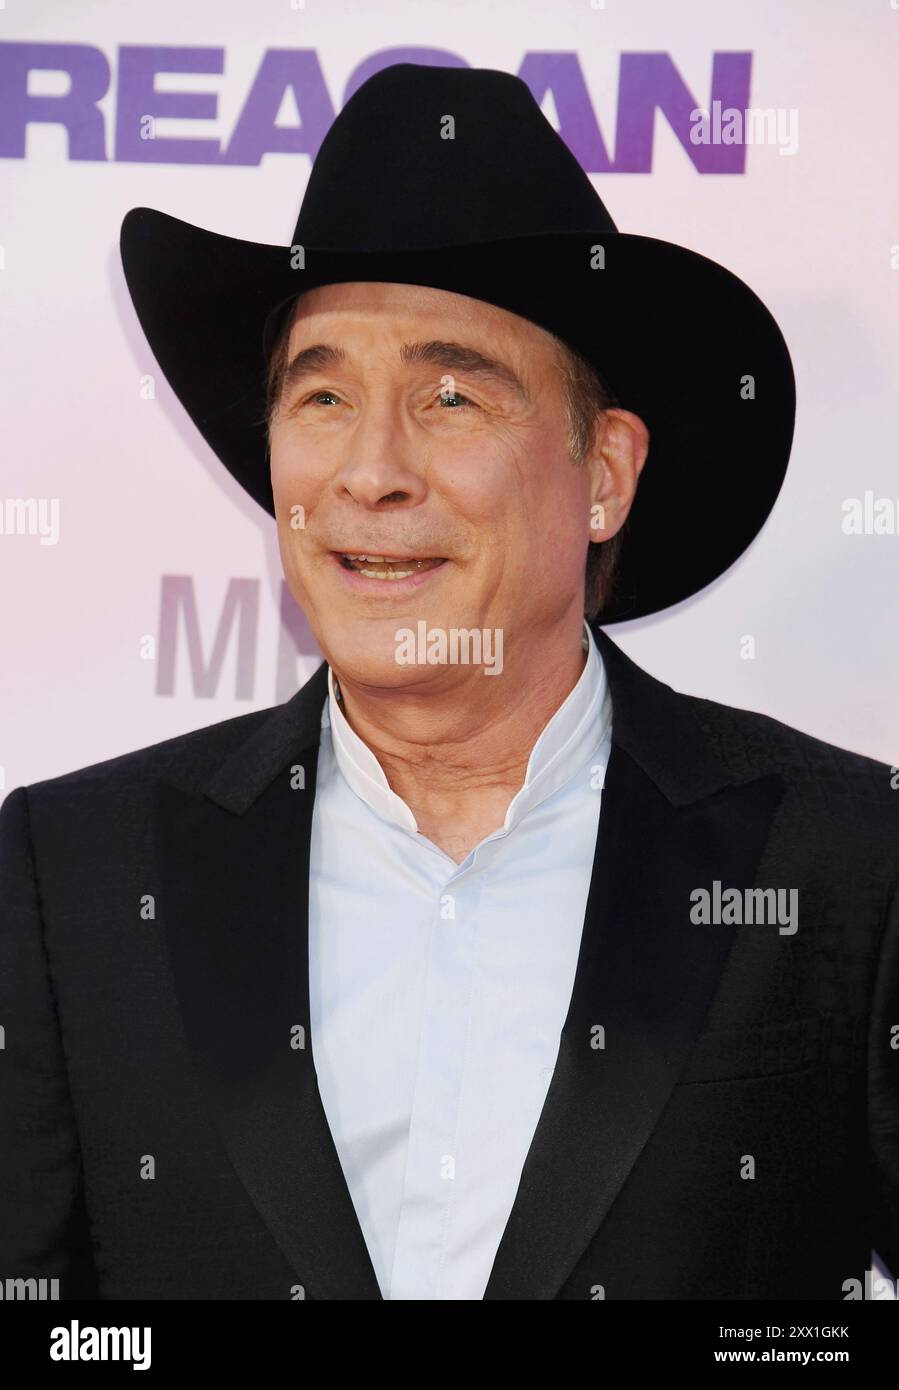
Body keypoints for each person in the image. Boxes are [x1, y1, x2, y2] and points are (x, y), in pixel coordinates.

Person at [1, 63, 896, 1301]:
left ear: (603, 474)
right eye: (322, 394)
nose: (371, 470)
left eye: (450, 394)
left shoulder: (844, 860)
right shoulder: (75, 874)